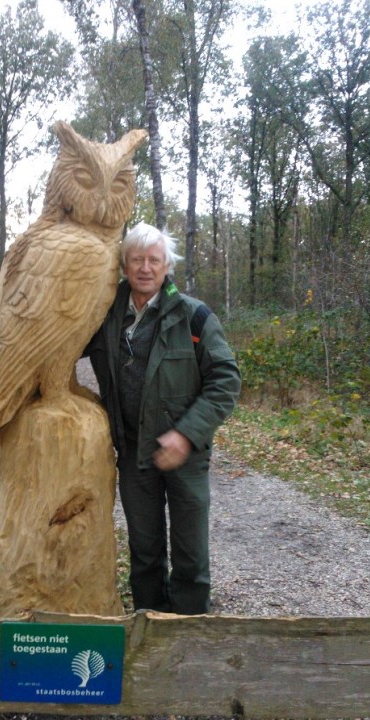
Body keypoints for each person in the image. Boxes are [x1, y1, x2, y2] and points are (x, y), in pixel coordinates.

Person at [86, 222, 241, 614]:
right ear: (123, 266)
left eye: (154, 260)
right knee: (145, 552)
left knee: (190, 554)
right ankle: (150, 627)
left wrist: (186, 435)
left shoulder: (194, 316)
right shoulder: (104, 315)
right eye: (136, 259)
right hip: (136, 453)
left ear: (167, 266)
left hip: (184, 454)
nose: (145, 268)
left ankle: (188, 628)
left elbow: (225, 380)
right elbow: (61, 344)